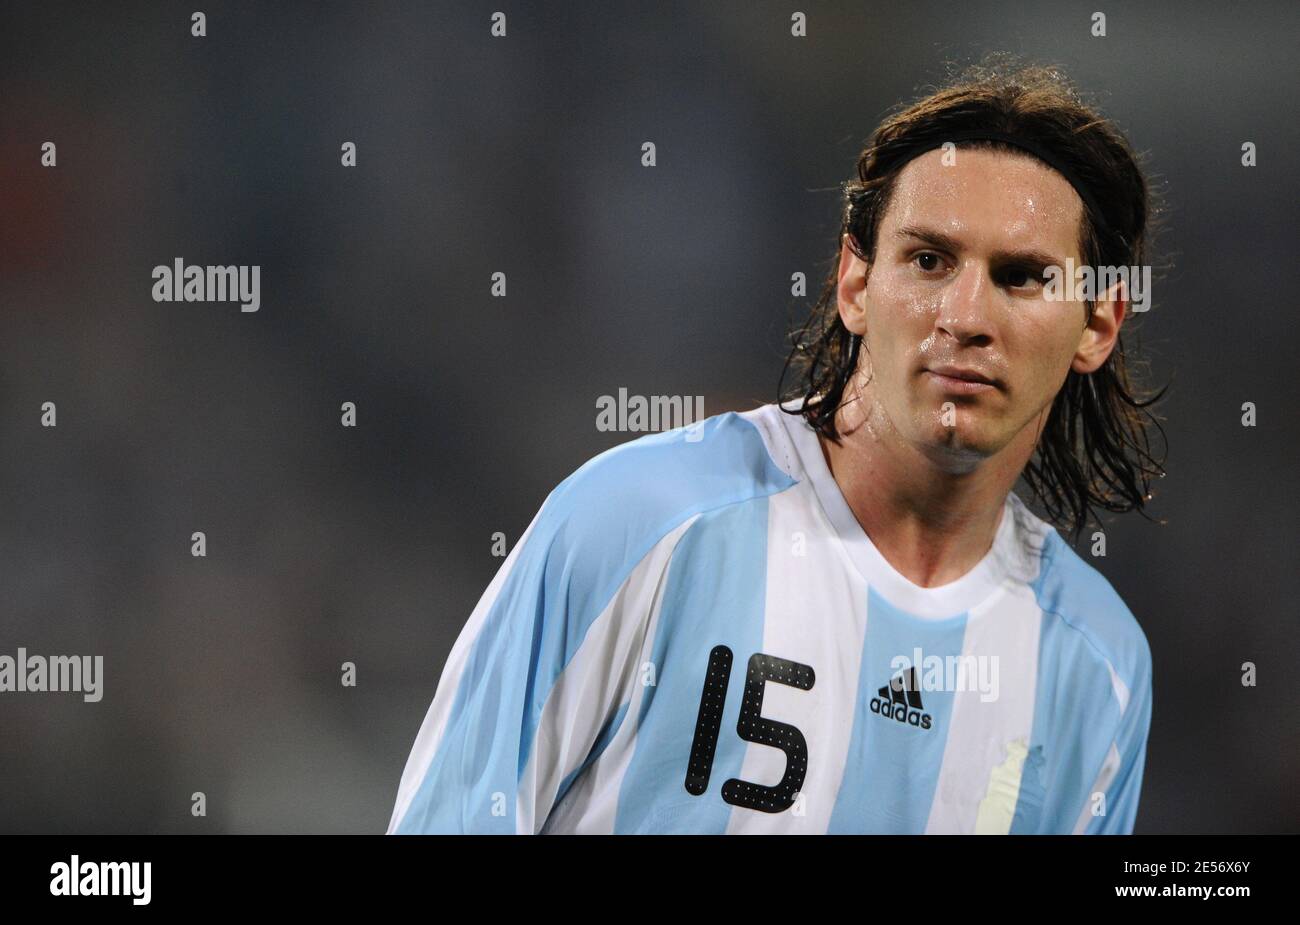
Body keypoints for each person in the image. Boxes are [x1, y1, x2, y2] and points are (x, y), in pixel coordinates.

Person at [387, 57, 1167, 834]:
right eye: (928, 260)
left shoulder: (1097, 668)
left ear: (1098, 325)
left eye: (1022, 276)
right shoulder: (638, 526)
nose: (964, 316)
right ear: (855, 284)